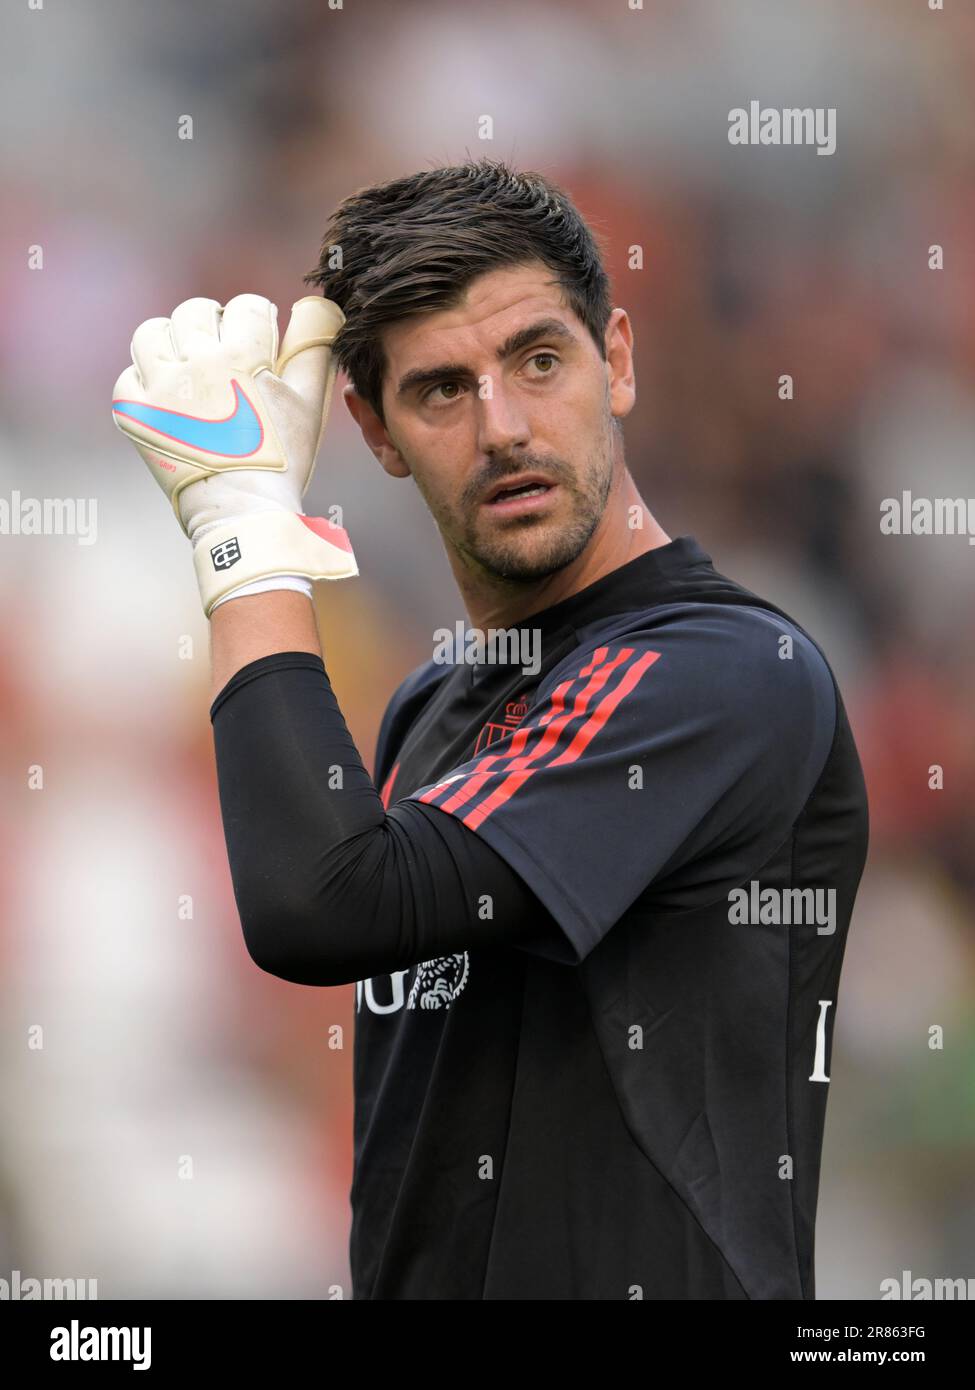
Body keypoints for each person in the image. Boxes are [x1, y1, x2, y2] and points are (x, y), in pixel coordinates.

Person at [113, 158, 869, 1300]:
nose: (505, 425)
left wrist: (243, 532)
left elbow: (321, 904)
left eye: (540, 361)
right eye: (441, 390)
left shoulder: (719, 672)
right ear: (372, 429)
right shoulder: (435, 702)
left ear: (616, 359)